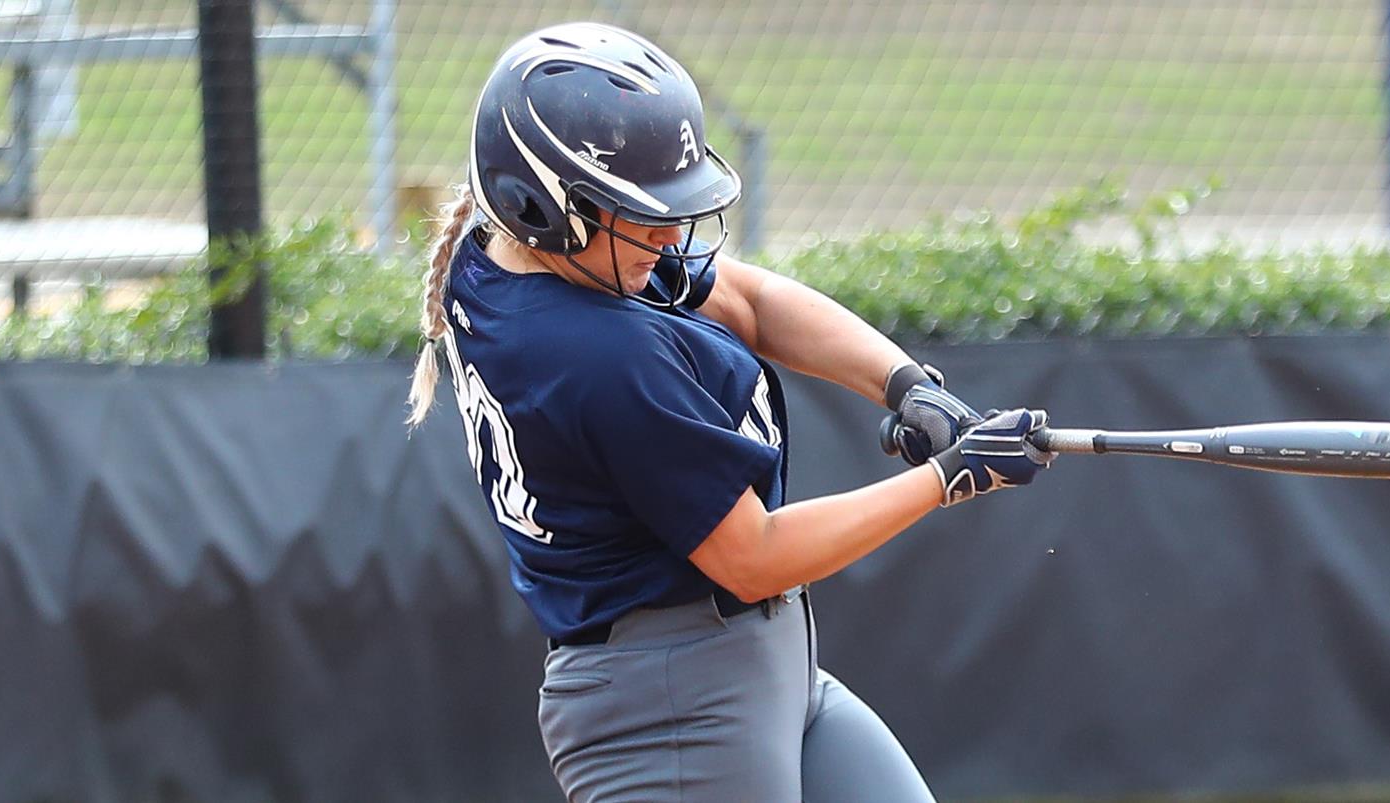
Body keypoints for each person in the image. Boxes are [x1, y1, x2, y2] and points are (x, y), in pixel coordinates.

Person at [402, 22, 1053, 803]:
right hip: (673, 709)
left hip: (762, 666)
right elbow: (755, 554)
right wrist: (951, 477)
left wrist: (907, 384)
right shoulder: (596, 357)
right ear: (540, 203)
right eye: (642, 215)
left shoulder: (522, 251)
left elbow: (746, 298)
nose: (671, 235)